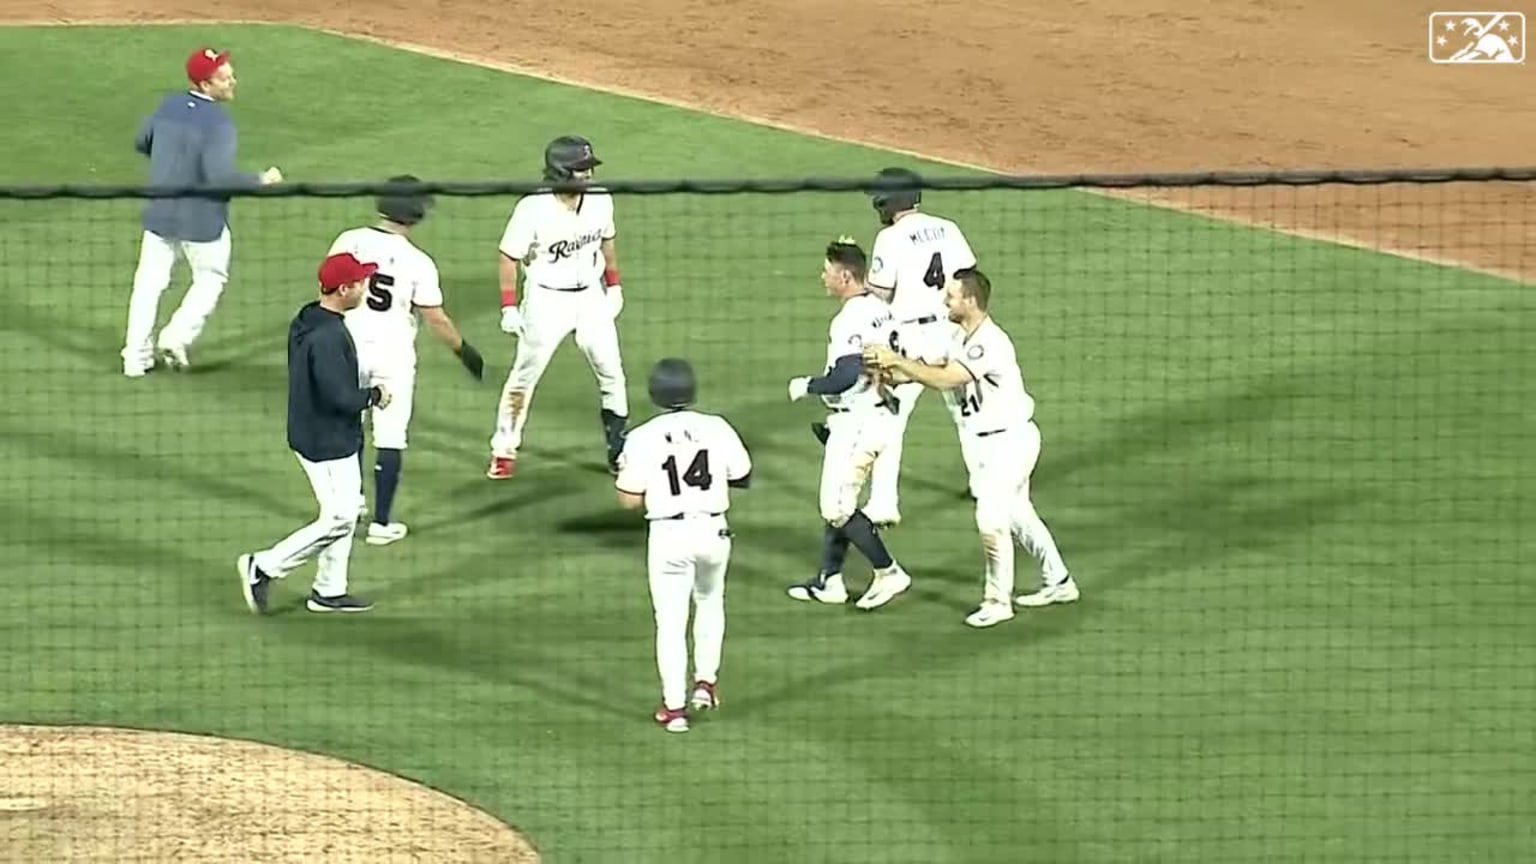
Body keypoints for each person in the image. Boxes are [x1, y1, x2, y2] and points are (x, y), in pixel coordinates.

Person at [863, 268, 1076, 628]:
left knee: (990, 519)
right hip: (987, 445)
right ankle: (1059, 581)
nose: (945, 300)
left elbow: (948, 378)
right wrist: (887, 371)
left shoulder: (990, 343)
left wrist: (898, 362)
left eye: (952, 296)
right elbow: (928, 368)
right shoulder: (955, 334)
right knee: (1019, 514)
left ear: (971, 301)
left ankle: (998, 601)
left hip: (1010, 441)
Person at [327, 175, 485, 546]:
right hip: (392, 356)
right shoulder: (418, 262)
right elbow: (436, 319)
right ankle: (382, 524)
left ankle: (351, 504)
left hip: (346, 347)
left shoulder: (348, 240)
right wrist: (465, 352)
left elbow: (331, 287)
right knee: (390, 435)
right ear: (414, 215)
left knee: (349, 423)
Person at [236, 252, 389, 616]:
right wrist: (376, 396)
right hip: (327, 440)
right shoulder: (329, 336)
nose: (366, 286)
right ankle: (264, 566)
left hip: (312, 430)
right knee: (340, 516)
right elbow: (340, 397)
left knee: (346, 511)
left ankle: (329, 591)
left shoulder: (309, 317)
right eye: (360, 282)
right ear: (344, 288)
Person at [121, 47, 282, 377]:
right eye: (225, 77)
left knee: (148, 285)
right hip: (201, 220)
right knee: (210, 278)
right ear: (206, 85)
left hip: (161, 213)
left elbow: (141, 140)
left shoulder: (169, 104)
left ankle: (135, 359)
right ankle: (177, 336)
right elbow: (219, 178)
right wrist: (260, 180)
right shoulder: (219, 123)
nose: (233, 81)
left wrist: (172, 155)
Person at [614, 358, 753, 733]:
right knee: (710, 601)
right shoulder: (717, 427)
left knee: (671, 622)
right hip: (714, 531)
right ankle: (705, 685)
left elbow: (629, 498)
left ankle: (674, 710)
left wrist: (623, 468)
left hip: (670, 537)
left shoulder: (642, 436)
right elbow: (741, 475)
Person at [487, 135, 629, 480]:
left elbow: (607, 241)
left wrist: (614, 284)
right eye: (581, 170)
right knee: (524, 376)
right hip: (546, 300)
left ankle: (618, 453)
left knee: (612, 374)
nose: (588, 176)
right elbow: (508, 256)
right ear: (560, 172)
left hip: (591, 297)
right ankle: (504, 450)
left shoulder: (600, 200)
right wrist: (509, 306)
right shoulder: (532, 209)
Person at [786, 238, 913, 611]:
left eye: (827, 272)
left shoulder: (850, 318)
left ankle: (889, 573)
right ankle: (831, 581)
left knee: (836, 507)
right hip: (881, 415)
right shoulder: (883, 309)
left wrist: (807, 385)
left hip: (858, 420)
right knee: (844, 500)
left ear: (844, 276)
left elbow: (846, 375)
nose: (822, 278)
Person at [860, 167, 979, 526]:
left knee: (889, 416)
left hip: (910, 338)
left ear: (887, 202)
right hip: (952, 329)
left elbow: (879, 294)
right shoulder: (948, 227)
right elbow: (969, 277)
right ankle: (983, 482)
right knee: (967, 410)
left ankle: (883, 503)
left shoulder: (890, 238)